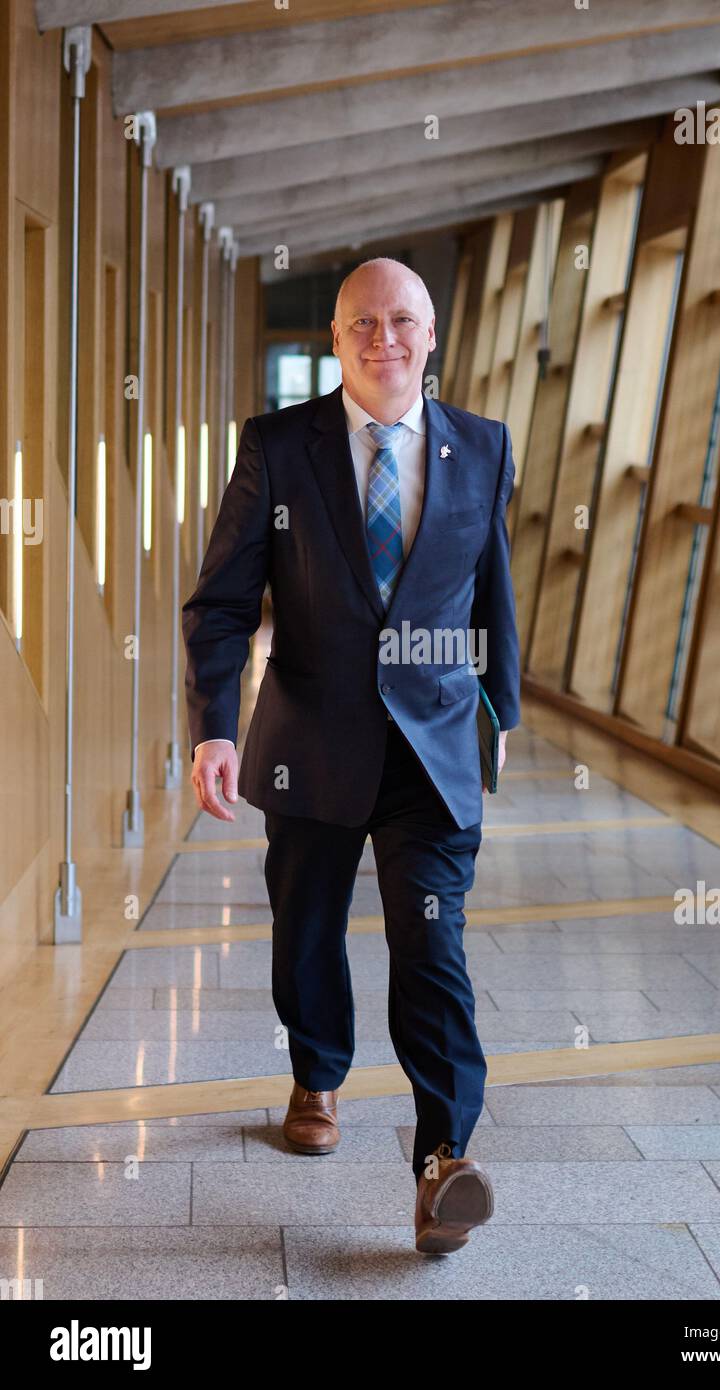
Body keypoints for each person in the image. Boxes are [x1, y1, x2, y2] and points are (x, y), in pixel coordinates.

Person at [182, 256, 520, 1254]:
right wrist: (211, 723)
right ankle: (317, 1069)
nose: (384, 339)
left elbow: (491, 589)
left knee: (432, 950)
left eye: (402, 321)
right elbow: (224, 601)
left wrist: (497, 713)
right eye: (362, 323)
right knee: (307, 927)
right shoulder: (278, 448)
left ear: (430, 336)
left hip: (430, 753)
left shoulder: (483, 448)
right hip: (308, 741)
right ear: (335, 339)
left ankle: (440, 1165)